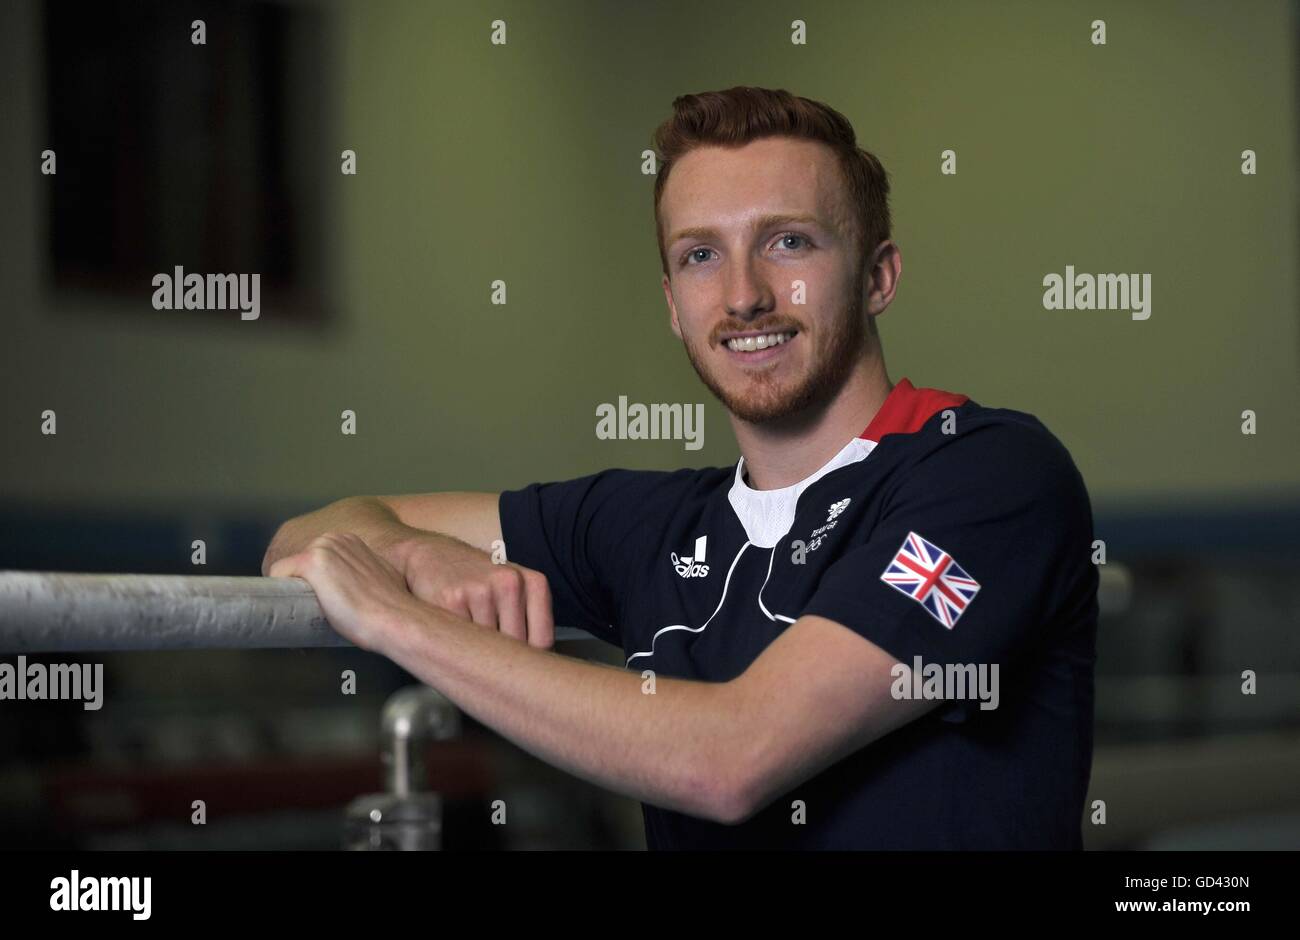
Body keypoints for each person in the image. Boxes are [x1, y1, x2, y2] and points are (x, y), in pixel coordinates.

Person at [263, 86, 1098, 849]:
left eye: (789, 242)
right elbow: (312, 533)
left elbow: (731, 759)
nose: (743, 295)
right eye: (701, 255)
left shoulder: (991, 474)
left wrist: (399, 623)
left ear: (877, 276)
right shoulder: (654, 526)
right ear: (671, 302)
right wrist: (412, 556)